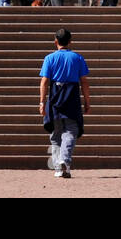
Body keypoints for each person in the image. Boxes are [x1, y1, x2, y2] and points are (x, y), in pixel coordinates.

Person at [39, 27, 91, 179]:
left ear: (55, 41)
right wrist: (87, 101)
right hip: (71, 97)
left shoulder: (49, 58)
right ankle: (65, 161)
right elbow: (84, 82)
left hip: (55, 97)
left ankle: (58, 168)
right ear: (70, 42)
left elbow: (44, 82)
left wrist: (42, 102)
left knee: (56, 134)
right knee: (71, 130)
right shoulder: (78, 58)